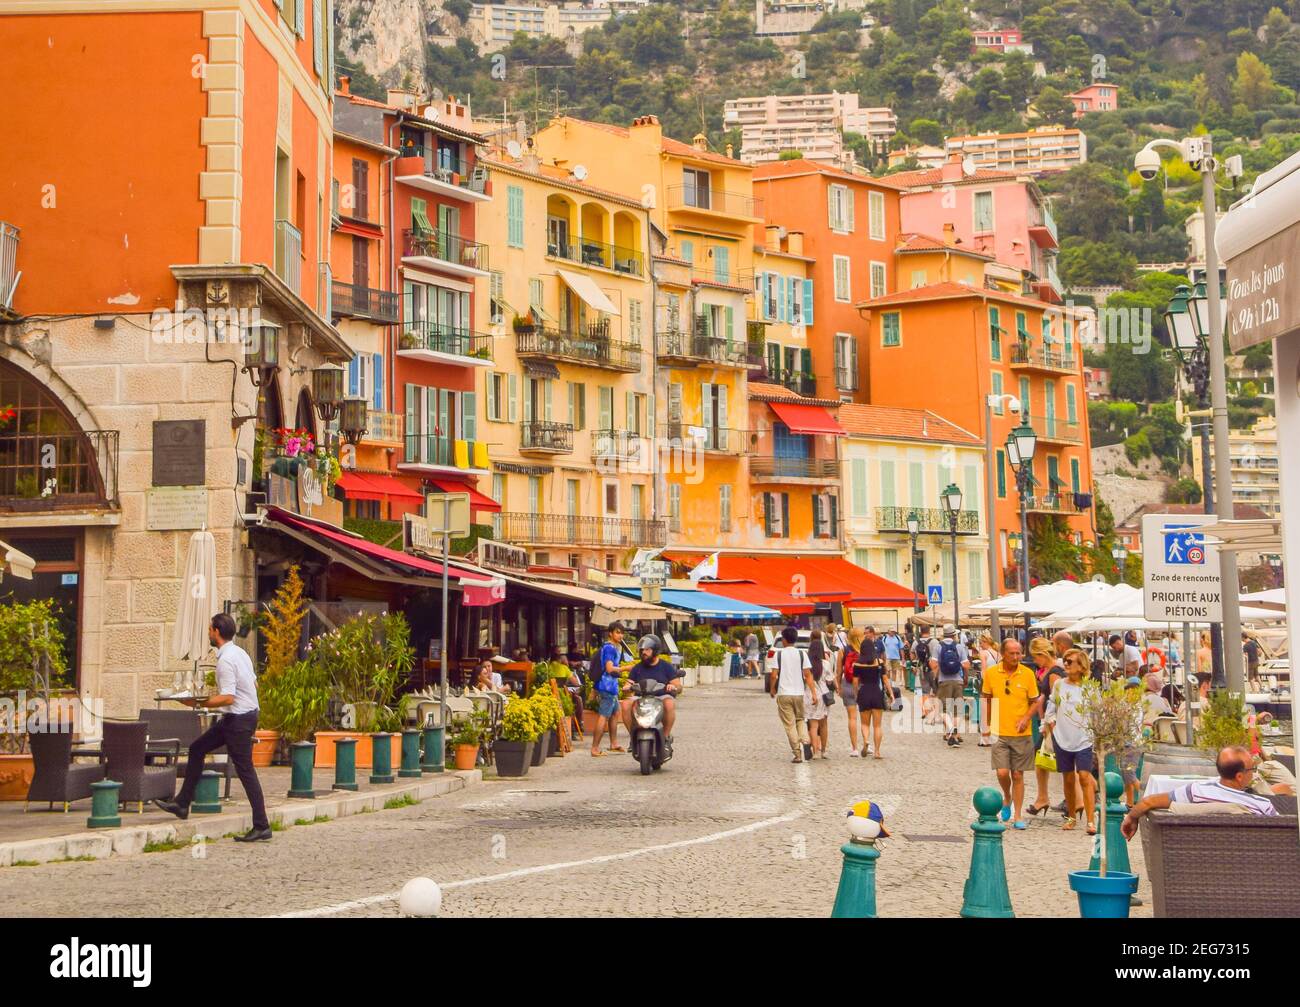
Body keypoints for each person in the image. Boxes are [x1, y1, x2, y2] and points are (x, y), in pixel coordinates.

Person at [154, 614, 271, 842]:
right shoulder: (240, 653)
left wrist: (198, 702)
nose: (208, 633)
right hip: (236, 717)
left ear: (216, 632)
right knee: (198, 749)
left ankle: (262, 825)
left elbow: (228, 697)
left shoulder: (226, 660)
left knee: (245, 770)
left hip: (239, 719)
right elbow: (254, 684)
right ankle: (182, 803)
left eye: (209, 629)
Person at [1121, 745, 1280, 839]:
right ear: (1239, 776)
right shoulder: (1262, 806)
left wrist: (1131, 817)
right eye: (1252, 769)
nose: (1254, 772)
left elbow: (1149, 801)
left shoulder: (1194, 792)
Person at [980, 637, 1039, 830]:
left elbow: (1035, 701)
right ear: (1003, 654)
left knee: (1018, 774)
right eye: (1012, 653)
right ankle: (1007, 796)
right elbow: (987, 699)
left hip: (1022, 733)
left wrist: (1026, 718)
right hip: (999, 731)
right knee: (1003, 772)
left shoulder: (1028, 674)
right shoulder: (991, 673)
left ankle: (1018, 814)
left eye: (1018, 653)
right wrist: (986, 724)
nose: (1016, 656)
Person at [1044, 648, 1097, 835]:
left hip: (1084, 738)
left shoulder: (1089, 687)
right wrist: (1050, 725)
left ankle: (1091, 820)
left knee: (1084, 776)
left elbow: (1096, 712)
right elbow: (1051, 707)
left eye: (1070, 661)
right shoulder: (1059, 685)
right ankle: (1072, 816)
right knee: (1067, 778)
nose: (1065, 664)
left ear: (1081, 666)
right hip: (1062, 736)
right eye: (1065, 660)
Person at [1025, 637, 1064, 817]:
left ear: (1042, 654)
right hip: (1050, 721)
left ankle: (1082, 797)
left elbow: (1055, 700)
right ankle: (1043, 798)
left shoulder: (1055, 672)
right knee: (1043, 760)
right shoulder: (1051, 670)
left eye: (1035, 657)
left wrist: (1048, 723)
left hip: (1053, 722)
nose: (1034, 661)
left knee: (1066, 763)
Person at [620, 634, 680, 744]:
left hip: (661, 696)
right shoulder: (637, 668)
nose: (644, 652)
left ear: (655, 650)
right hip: (641, 697)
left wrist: (673, 687)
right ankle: (633, 737)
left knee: (670, 704)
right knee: (625, 704)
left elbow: (678, 686)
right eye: (642, 650)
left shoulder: (666, 666)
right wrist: (627, 686)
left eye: (647, 650)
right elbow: (629, 682)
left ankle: (665, 737)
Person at [770, 625, 817, 763]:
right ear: (795, 639)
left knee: (789, 724)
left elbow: (773, 675)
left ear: (784, 640)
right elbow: (808, 675)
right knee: (800, 719)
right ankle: (806, 740)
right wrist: (813, 693)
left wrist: (773, 689)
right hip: (799, 693)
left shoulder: (778, 654)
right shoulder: (802, 654)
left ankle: (797, 753)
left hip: (784, 693)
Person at [929, 624, 970, 748]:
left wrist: (936, 676)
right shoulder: (959, 646)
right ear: (954, 634)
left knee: (943, 709)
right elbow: (966, 665)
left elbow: (933, 664)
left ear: (943, 635)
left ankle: (951, 730)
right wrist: (965, 677)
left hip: (944, 681)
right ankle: (955, 735)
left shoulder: (938, 646)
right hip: (958, 681)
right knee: (958, 709)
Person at [590, 622, 627, 757]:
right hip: (607, 686)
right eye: (617, 632)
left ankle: (613, 743)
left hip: (611, 686)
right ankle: (595, 748)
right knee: (603, 716)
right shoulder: (610, 648)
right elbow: (610, 668)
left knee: (615, 713)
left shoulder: (613, 647)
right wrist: (626, 669)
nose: (620, 635)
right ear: (610, 633)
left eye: (622, 633)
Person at [854, 627, 891, 760]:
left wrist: (856, 693)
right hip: (876, 692)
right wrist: (891, 694)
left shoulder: (857, 664)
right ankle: (877, 751)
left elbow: (855, 681)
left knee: (865, 724)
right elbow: (885, 680)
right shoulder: (879, 663)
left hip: (864, 692)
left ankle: (866, 741)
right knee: (877, 725)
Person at [804, 634, 833, 759]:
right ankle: (824, 751)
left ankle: (815, 751)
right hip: (823, 694)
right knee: (824, 724)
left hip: (809, 694)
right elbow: (830, 680)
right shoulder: (825, 664)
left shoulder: (806, 664)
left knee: (813, 725)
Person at [839, 627, 862, 757]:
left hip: (847, 684)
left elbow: (839, 671)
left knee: (852, 718)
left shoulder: (843, 650)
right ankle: (867, 743)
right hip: (863, 684)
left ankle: (854, 748)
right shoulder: (864, 650)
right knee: (865, 717)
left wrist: (838, 686)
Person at [912, 626, 936, 722]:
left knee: (925, 691)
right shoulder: (934, 642)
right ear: (929, 631)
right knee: (935, 691)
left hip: (922, 669)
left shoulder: (916, 642)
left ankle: (925, 712)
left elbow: (912, 655)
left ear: (920, 631)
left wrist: (915, 665)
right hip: (933, 669)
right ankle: (934, 712)